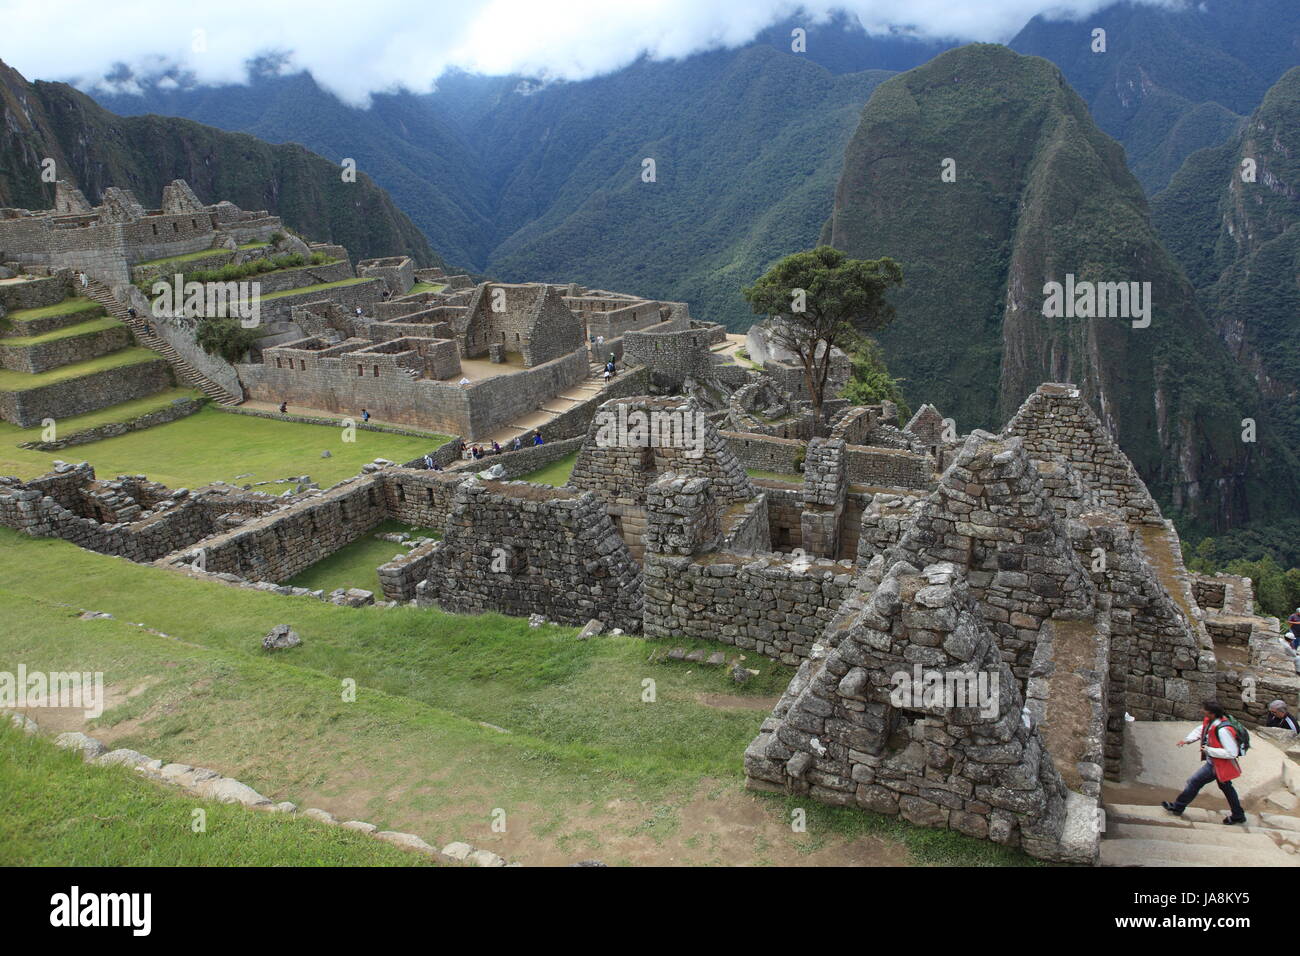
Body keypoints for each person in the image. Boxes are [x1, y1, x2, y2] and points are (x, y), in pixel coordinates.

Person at [1162, 699, 1247, 825]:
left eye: (1204, 709)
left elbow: (1231, 752)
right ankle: (1238, 815)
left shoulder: (1223, 730)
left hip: (1217, 765)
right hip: (1217, 763)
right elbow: (1201, 730)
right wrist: (1187, 740)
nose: (1202, 710)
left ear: (1212, 713)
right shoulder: (1212, 722)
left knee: (1194, 781)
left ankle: (1178, 806)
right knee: (1227, 788)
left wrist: (1208, 750)